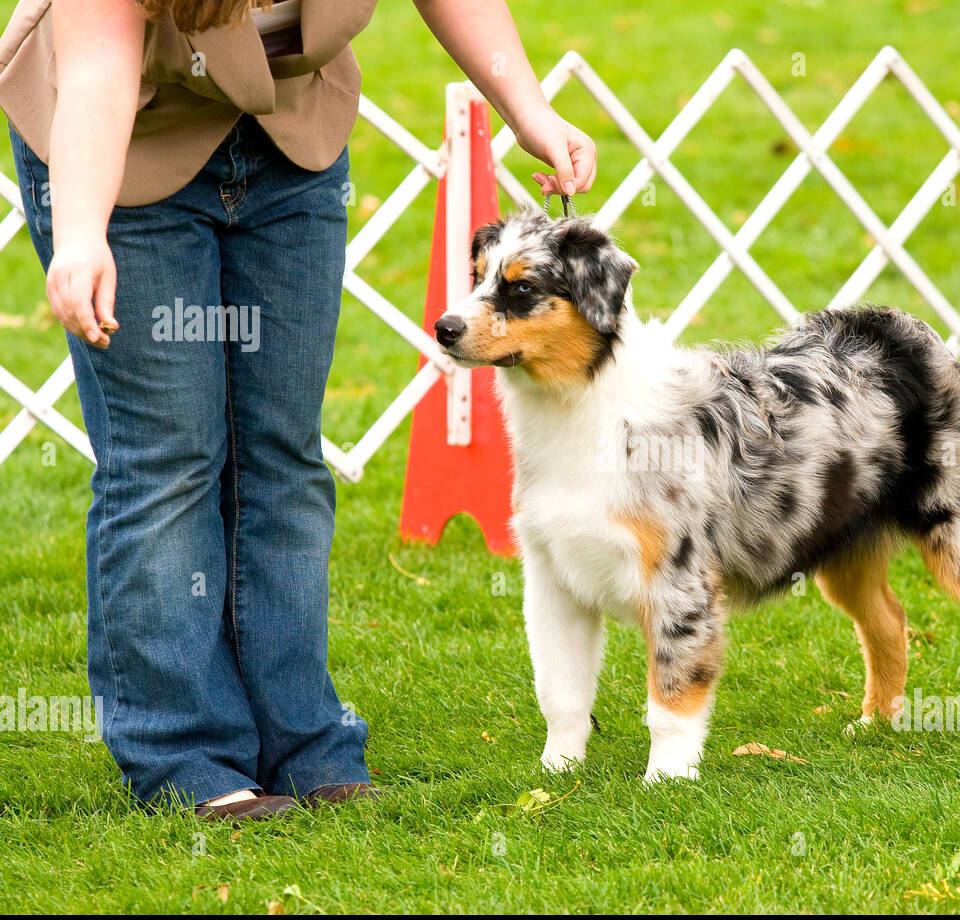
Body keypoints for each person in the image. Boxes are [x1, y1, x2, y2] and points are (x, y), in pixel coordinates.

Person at [0, 0, 596, 820]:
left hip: (290, 143)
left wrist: (528, 109)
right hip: (122, 143)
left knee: (283, 452)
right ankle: (184, 753)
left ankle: (305, 738)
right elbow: (101, 69)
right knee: (168, 459)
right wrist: (79, 233)